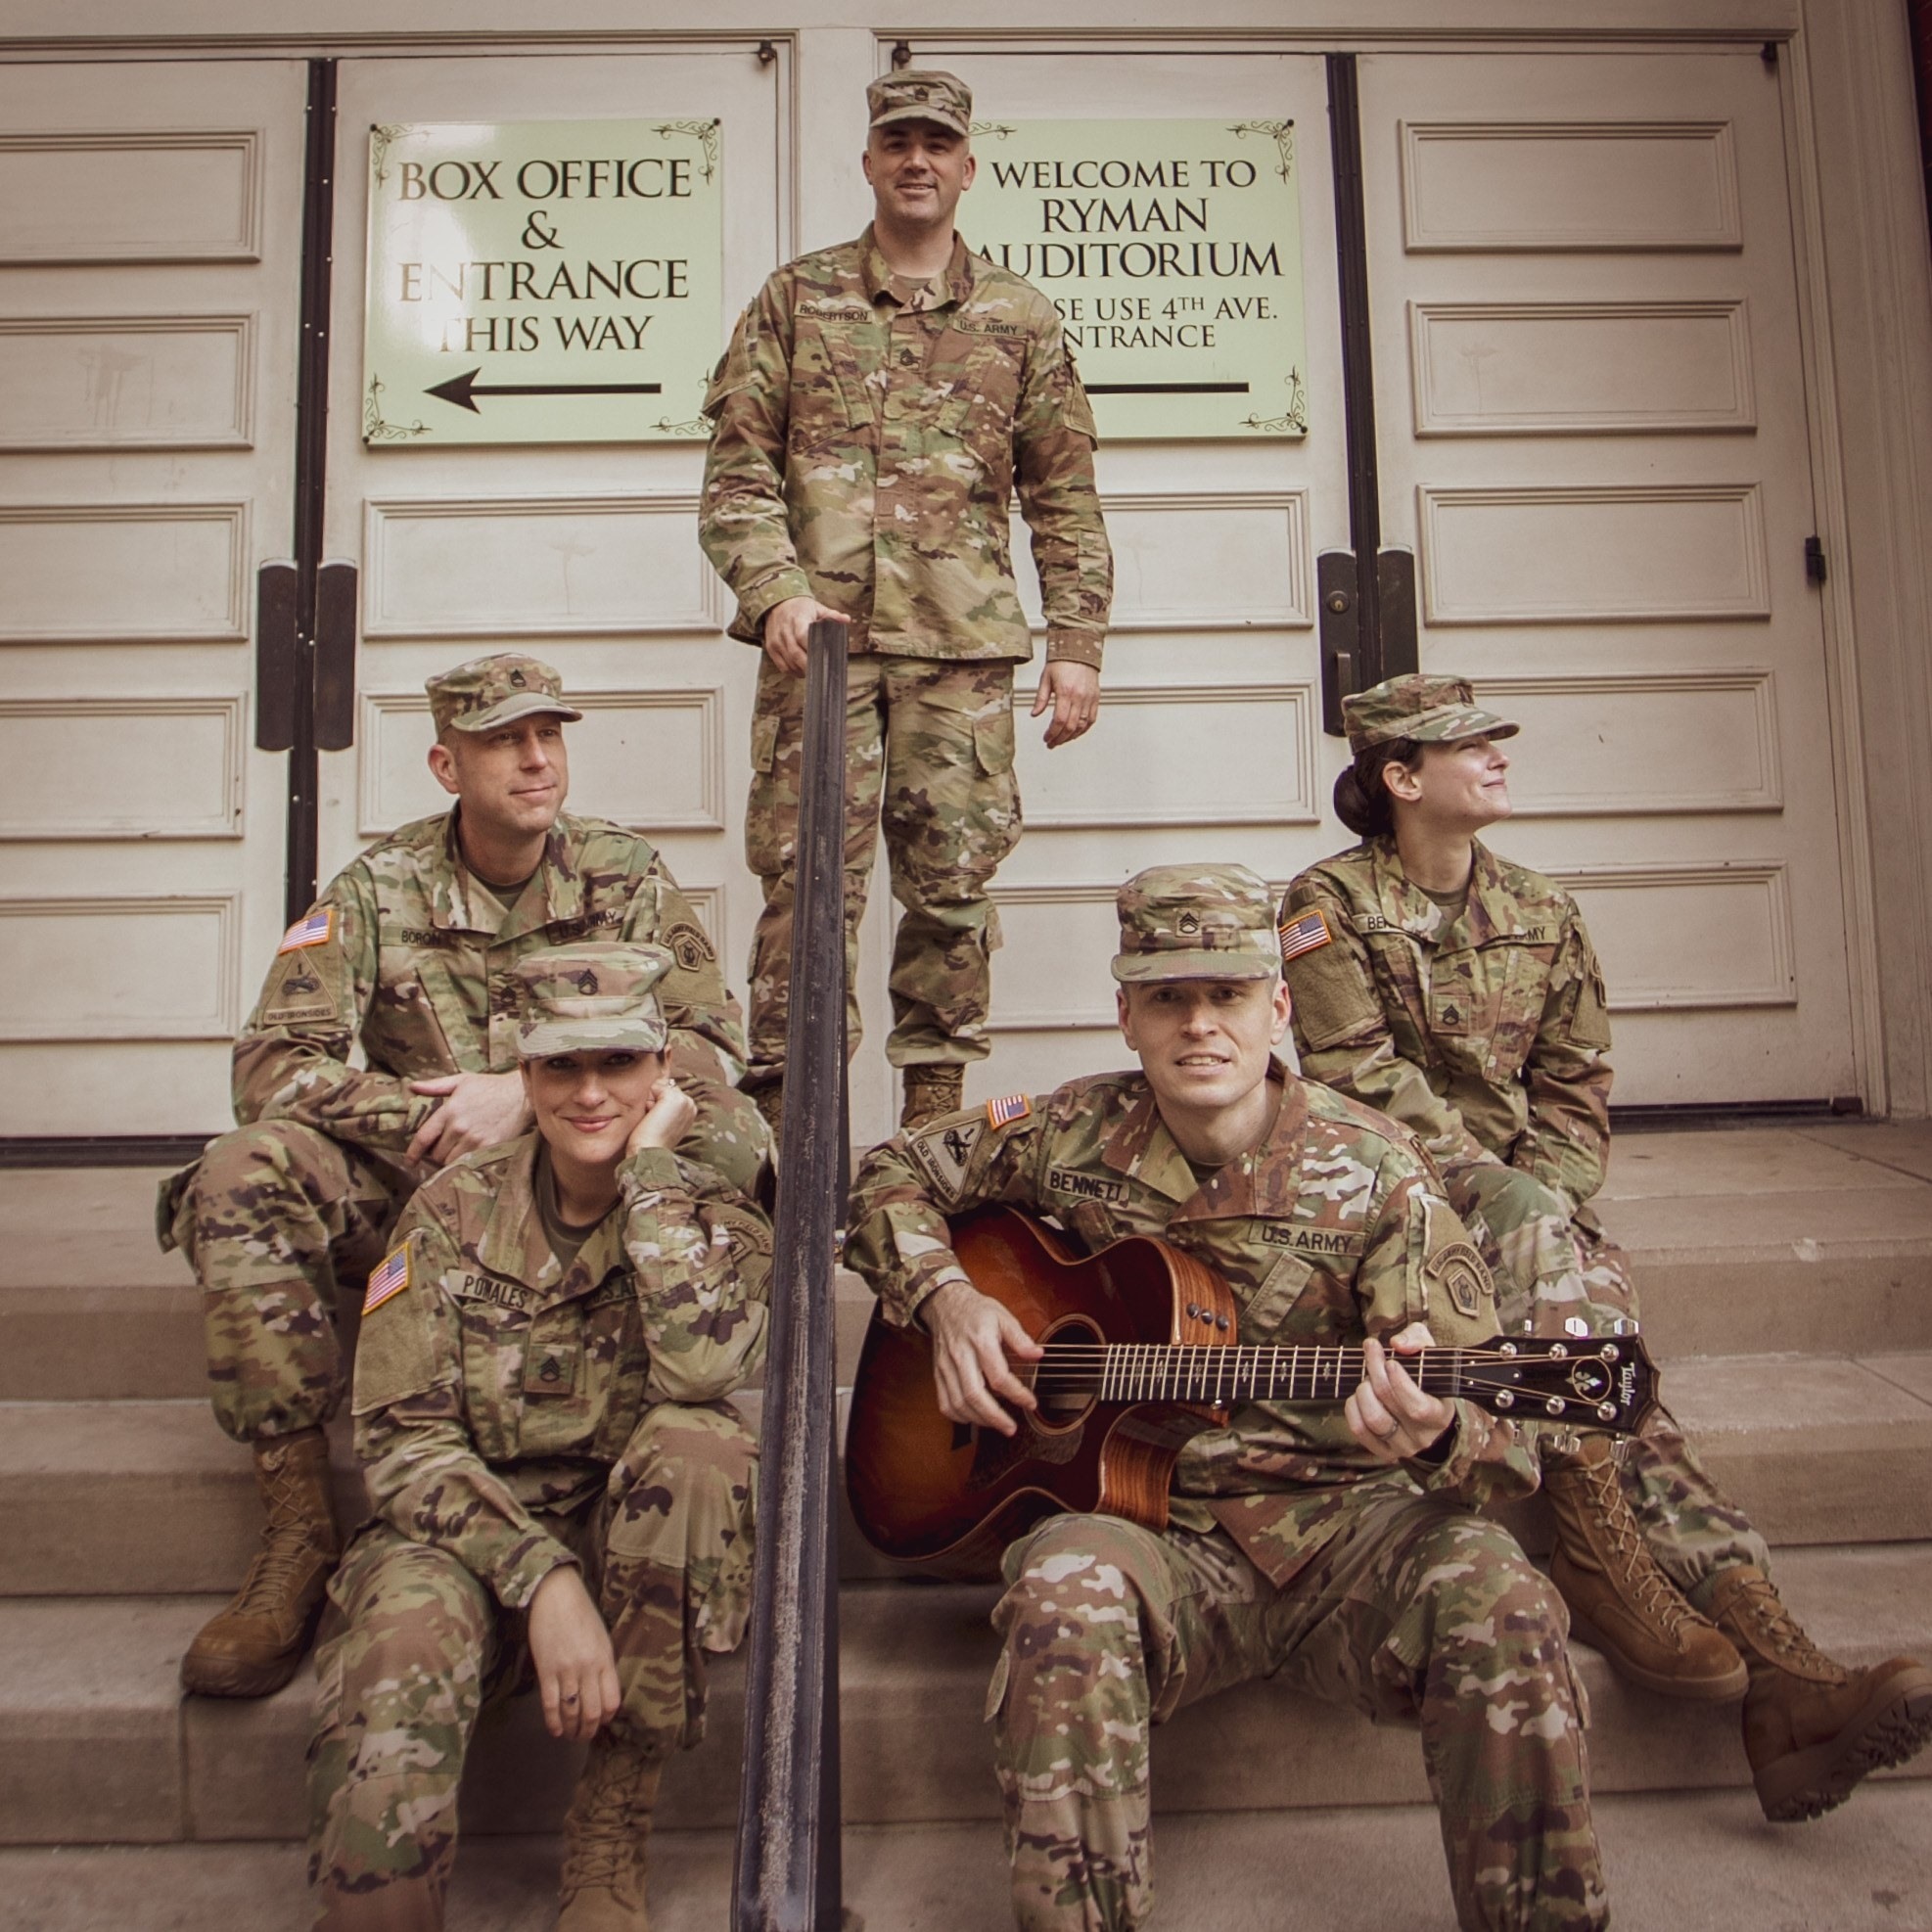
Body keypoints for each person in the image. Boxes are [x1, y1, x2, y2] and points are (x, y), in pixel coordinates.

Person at [847, 864, 1605, 1932]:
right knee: (1064, 1595)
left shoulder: (1377, 1172)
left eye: (1229, 994)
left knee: (1505, 1598)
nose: (1199, 1025)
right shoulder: (1066, 1130)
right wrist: (948, 1300)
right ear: (1126, 1015)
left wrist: (1439, 1429)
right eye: (1168, 997)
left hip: (1349, 1535)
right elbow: (888, 1172)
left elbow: (1507, 1446)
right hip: (1152, 1529)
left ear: (1279, 1006)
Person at [1278, 671, 1932, 1821]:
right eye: (1468, 746)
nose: (1498, 757)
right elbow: (1356, 1083)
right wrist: (1518, 1201)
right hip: (1390, 1208)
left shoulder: (1544, 908)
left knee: (1608, 1352)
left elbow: (1575, 1088)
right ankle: (1642, 1575)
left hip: (1528, 1225)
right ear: (1400, 778)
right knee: (1574, 1297)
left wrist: (1556, 1203)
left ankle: (1779, 1671)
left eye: (1495, 742)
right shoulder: (1325, 905)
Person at [158, 652, 766, 1701]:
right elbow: (270, 1067)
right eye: (504, 742)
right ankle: (298, 1525)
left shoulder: (623, 874)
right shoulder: (377, 888)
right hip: (425, 1195)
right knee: (239, 1171)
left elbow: (708, 1044)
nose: (536, 760)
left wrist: (525, 1099)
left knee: (731, 1135)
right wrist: (430, 1115)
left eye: (548, 736)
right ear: (448, 765)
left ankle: (641, 1456)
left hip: (579, 1193)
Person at [306, 942, 767, 1931]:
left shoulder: (711, 1210)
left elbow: (703, 1370)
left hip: (626, 1548)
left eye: (619, 1062)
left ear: (664, 1072)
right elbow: (402, 1443)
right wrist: (541, 1578)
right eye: (563, 1065)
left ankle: (613, 1818)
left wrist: (652, 1179)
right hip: (463, 1541)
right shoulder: (449, 1210)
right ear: (524, 1075)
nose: (590, 1093)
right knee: (399, 1639)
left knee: (701, 1449)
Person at [700, 67, 1114, 1135]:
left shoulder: (1019, 318)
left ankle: (931, 1138)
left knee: (951, 894)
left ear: (968, 167)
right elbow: (737, 476)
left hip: (959, 654)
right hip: (821, 652)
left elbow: (1063, 493)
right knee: (806, 894)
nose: (916, 161)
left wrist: (1077, 644)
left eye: (936, 145)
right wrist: (776, 593)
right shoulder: (797, 300)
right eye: (898, 143)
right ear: (870, 162)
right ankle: (799, 1143)